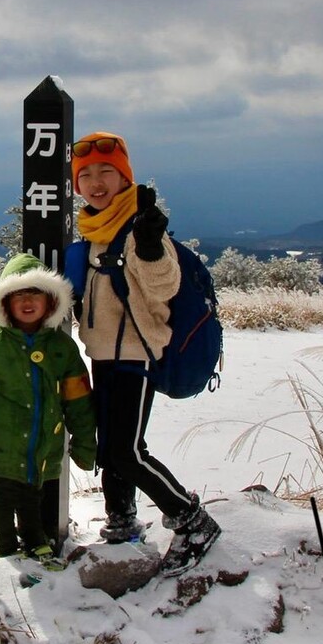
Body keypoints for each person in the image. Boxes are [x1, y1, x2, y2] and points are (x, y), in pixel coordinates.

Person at [67, 132, 221, 576]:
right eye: (87, 175)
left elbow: (163, 285)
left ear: (124, 178)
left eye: (107, 172)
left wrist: (152, 247)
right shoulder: (96, 228)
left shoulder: (137, 227)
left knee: (125, 450)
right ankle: (121, 518)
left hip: (136, 355)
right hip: (105, 354)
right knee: (116, 443)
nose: (96, 182)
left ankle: (193, 521)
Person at [0, 252, 97, 570]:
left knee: (33, 495)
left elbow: (79, 400)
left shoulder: (61, 348)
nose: (28, 302)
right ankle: (5, 550)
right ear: (5, 303)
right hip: (1, 444)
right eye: (19, 295)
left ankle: (36, 543)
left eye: (36, 294)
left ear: (51, 302)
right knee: (3, 498)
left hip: (42, 446)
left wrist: (85, 442)